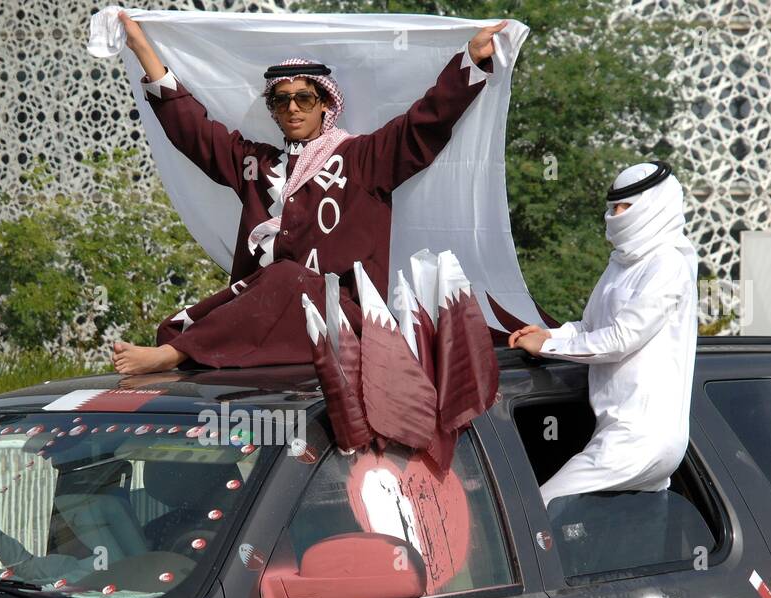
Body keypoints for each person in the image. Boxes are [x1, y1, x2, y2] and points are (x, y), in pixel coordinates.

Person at [111, 12, 508, 374]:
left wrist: (469, 62)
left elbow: (422, 126)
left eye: (304, 98)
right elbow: (195, 132)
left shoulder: (361, 158)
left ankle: (175, 354)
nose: (293, 108)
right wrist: (143, 48)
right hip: (265, 311)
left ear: (325, 104)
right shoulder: (256, 165)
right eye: (281, 101)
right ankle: (188, 346)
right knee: (268, 283)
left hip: (340, 318)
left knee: (286, 276)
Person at [509, 160, 699, 509]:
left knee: (536, 512)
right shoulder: (621, 264)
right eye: (613, 207)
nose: (616, 215)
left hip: (642, 437)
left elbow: (620, 340)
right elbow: (591, 328)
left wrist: (548, 346)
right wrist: (547, 333)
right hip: (614, 430)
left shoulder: (668, 264)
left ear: (655, 207)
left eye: (627, 206)